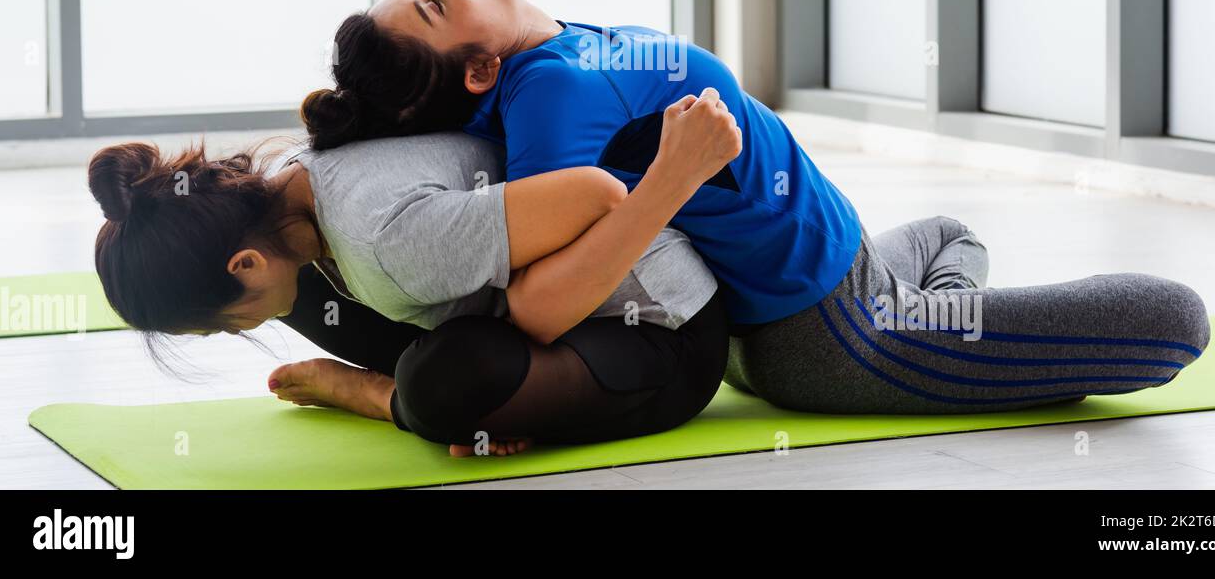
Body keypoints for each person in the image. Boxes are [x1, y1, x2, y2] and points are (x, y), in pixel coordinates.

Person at [300, 0, 1212, 414]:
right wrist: (669, 175)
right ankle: (937, 353)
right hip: (838, 336)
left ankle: (951, 335)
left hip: (842, 283)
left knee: (949, 229)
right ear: (476, 69)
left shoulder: (552, 56)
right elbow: (540, 300)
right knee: (1173, 318)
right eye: (433, 6)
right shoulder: (553, 97)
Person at [87, 85, 739, 456]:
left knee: (440, 388)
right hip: (491, 293)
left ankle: (382, 396)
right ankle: (451, 396)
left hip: (663, 332)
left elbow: (600, 195)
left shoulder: (388, 240)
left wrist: (463, 402)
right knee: (304, 287)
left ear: (244, 262)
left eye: (224, 325)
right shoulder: (294, 180)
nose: (238, 332)